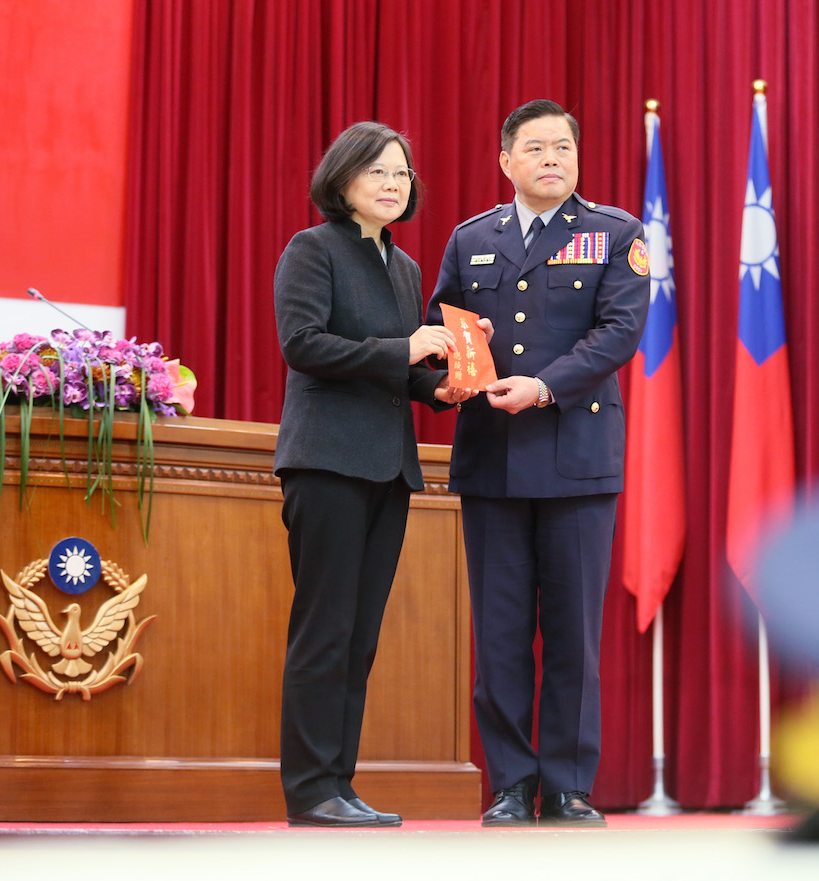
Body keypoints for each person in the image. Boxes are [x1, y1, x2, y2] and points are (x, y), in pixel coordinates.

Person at [427, 99, 651, 826]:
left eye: (563, 146)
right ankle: (510, 786)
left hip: (578, 457)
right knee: (498, 635)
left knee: (573, 635)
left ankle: (569, 786)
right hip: (492, 459)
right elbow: (442, 332)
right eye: (536, 147)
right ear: (506, 161)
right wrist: (461, 354)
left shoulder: (616, 233)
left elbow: (621, 331)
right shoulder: (471, 239)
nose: (552, 158)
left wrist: (546, 385)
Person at [273, 121, 475, 827]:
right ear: (343, 178)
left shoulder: (405, 266)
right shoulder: (312, 249)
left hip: (390, 468)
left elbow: (401, 367)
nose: (394, 184)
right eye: (379, 172)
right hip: (325, 460)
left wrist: (436, 388)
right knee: (323, 628)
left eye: (402, 174)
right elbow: (304, 345)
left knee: (360, 636)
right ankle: (310, 790)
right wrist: (404, 349)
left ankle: (341, 783)